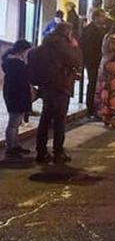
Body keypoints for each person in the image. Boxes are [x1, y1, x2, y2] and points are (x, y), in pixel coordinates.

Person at [28, 23, 82, 164]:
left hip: (46, 86)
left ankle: (41, 151)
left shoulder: (45, 44)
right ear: (67, 33)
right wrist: (75, 46)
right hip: (60, 86)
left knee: (45, 119)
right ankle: (58, 152)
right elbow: (77, 60)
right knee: (59, 121)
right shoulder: (63, 46)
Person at [2, 40, 33, 159]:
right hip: (16, 95)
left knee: (16, 122)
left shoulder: (10, 61)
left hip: (13, 93)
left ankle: (15, 144)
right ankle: (11, 147)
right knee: (14, 122)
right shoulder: (16, 64)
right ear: (22, 50)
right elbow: (22, 80)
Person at [94, 34, 115, 127]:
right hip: (112, 81)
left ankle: (107, 117)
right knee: (112, 97)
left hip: (108, 81)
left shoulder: (106, 55)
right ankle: (111, 117)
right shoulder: (113, 57)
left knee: (107, 98)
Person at [81, 10, 109, 117]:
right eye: (102, 16)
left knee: (99, 84)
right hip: (92, 61)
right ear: (96, 17)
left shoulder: (103, 29)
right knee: (93, 83)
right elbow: (87, 47)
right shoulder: (89, 30)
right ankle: (91, 108)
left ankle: (98, 106)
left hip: (100, 60)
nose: (104, 18)